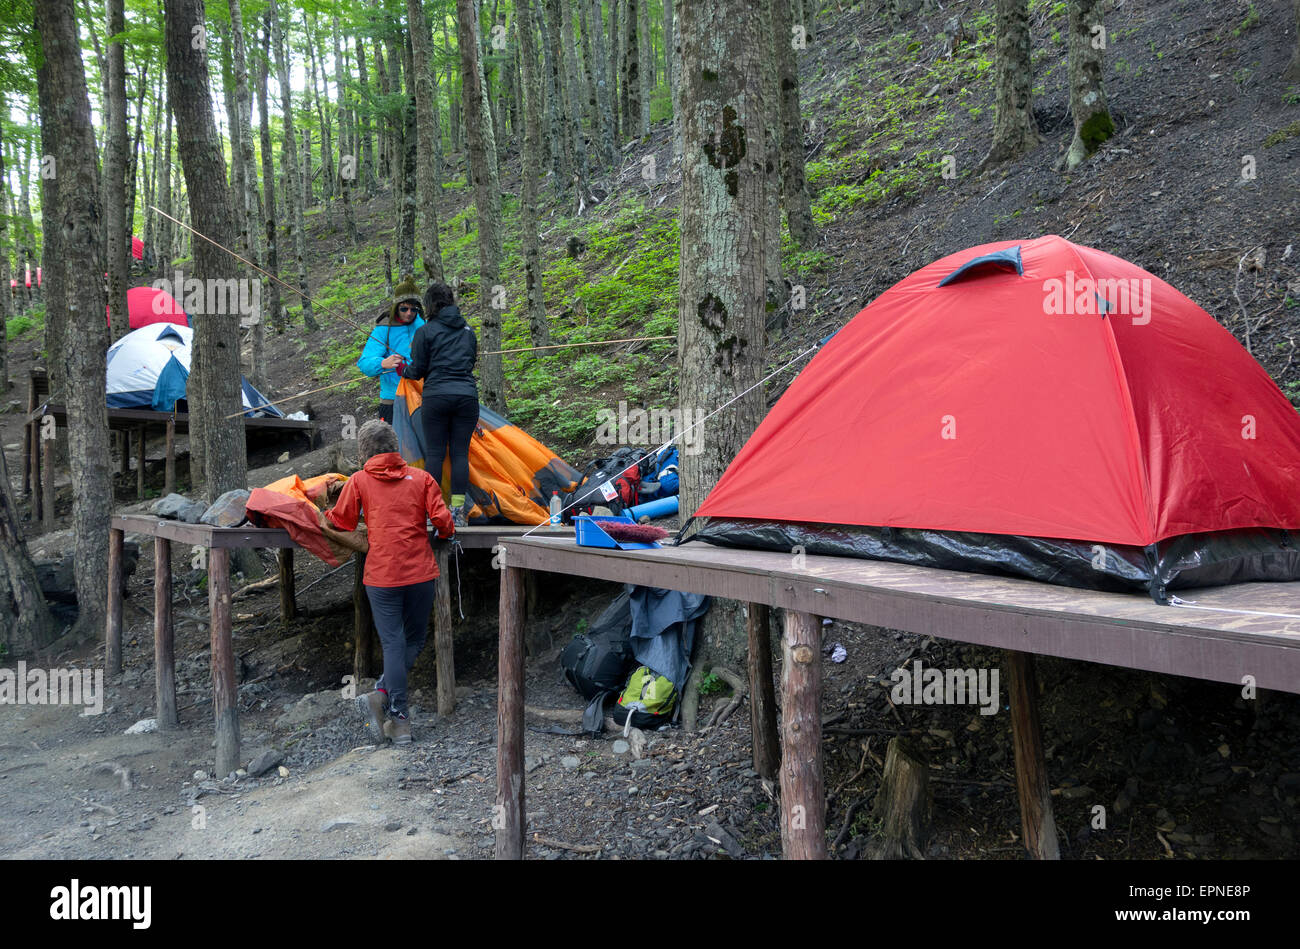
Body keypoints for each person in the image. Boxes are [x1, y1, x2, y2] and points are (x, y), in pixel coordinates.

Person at [327, 419, 454, 744]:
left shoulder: (359, 481)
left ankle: (390, 705)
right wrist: (442, 534)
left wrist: (320, 513)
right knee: (414, 641)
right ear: (396, 447)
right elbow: (444, 521)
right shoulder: (422, 478)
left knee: (394, 643)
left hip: (382, 575)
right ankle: (393, 712)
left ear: (364, 451)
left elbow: (341, 521)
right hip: (420, 572)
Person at [400, 281, 479, 527]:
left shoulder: (425, 331)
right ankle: (457, 512)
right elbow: (470, 363)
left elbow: (418, 370)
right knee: (459, 455)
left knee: (434, 454)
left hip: (437, 397)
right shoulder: (468, 330)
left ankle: (433, 511)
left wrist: (402, 368)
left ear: (430, 305)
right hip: (467, 397)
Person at [358, 276, 425, 424]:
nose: (409, 313)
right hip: (394, 399)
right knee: (393, 445)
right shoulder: (383, 329)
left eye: (414, 309)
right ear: (396, 307)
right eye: (404, 309)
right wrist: (383, 363)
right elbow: (364, 363)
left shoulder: (424, 326)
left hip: (423, 396)